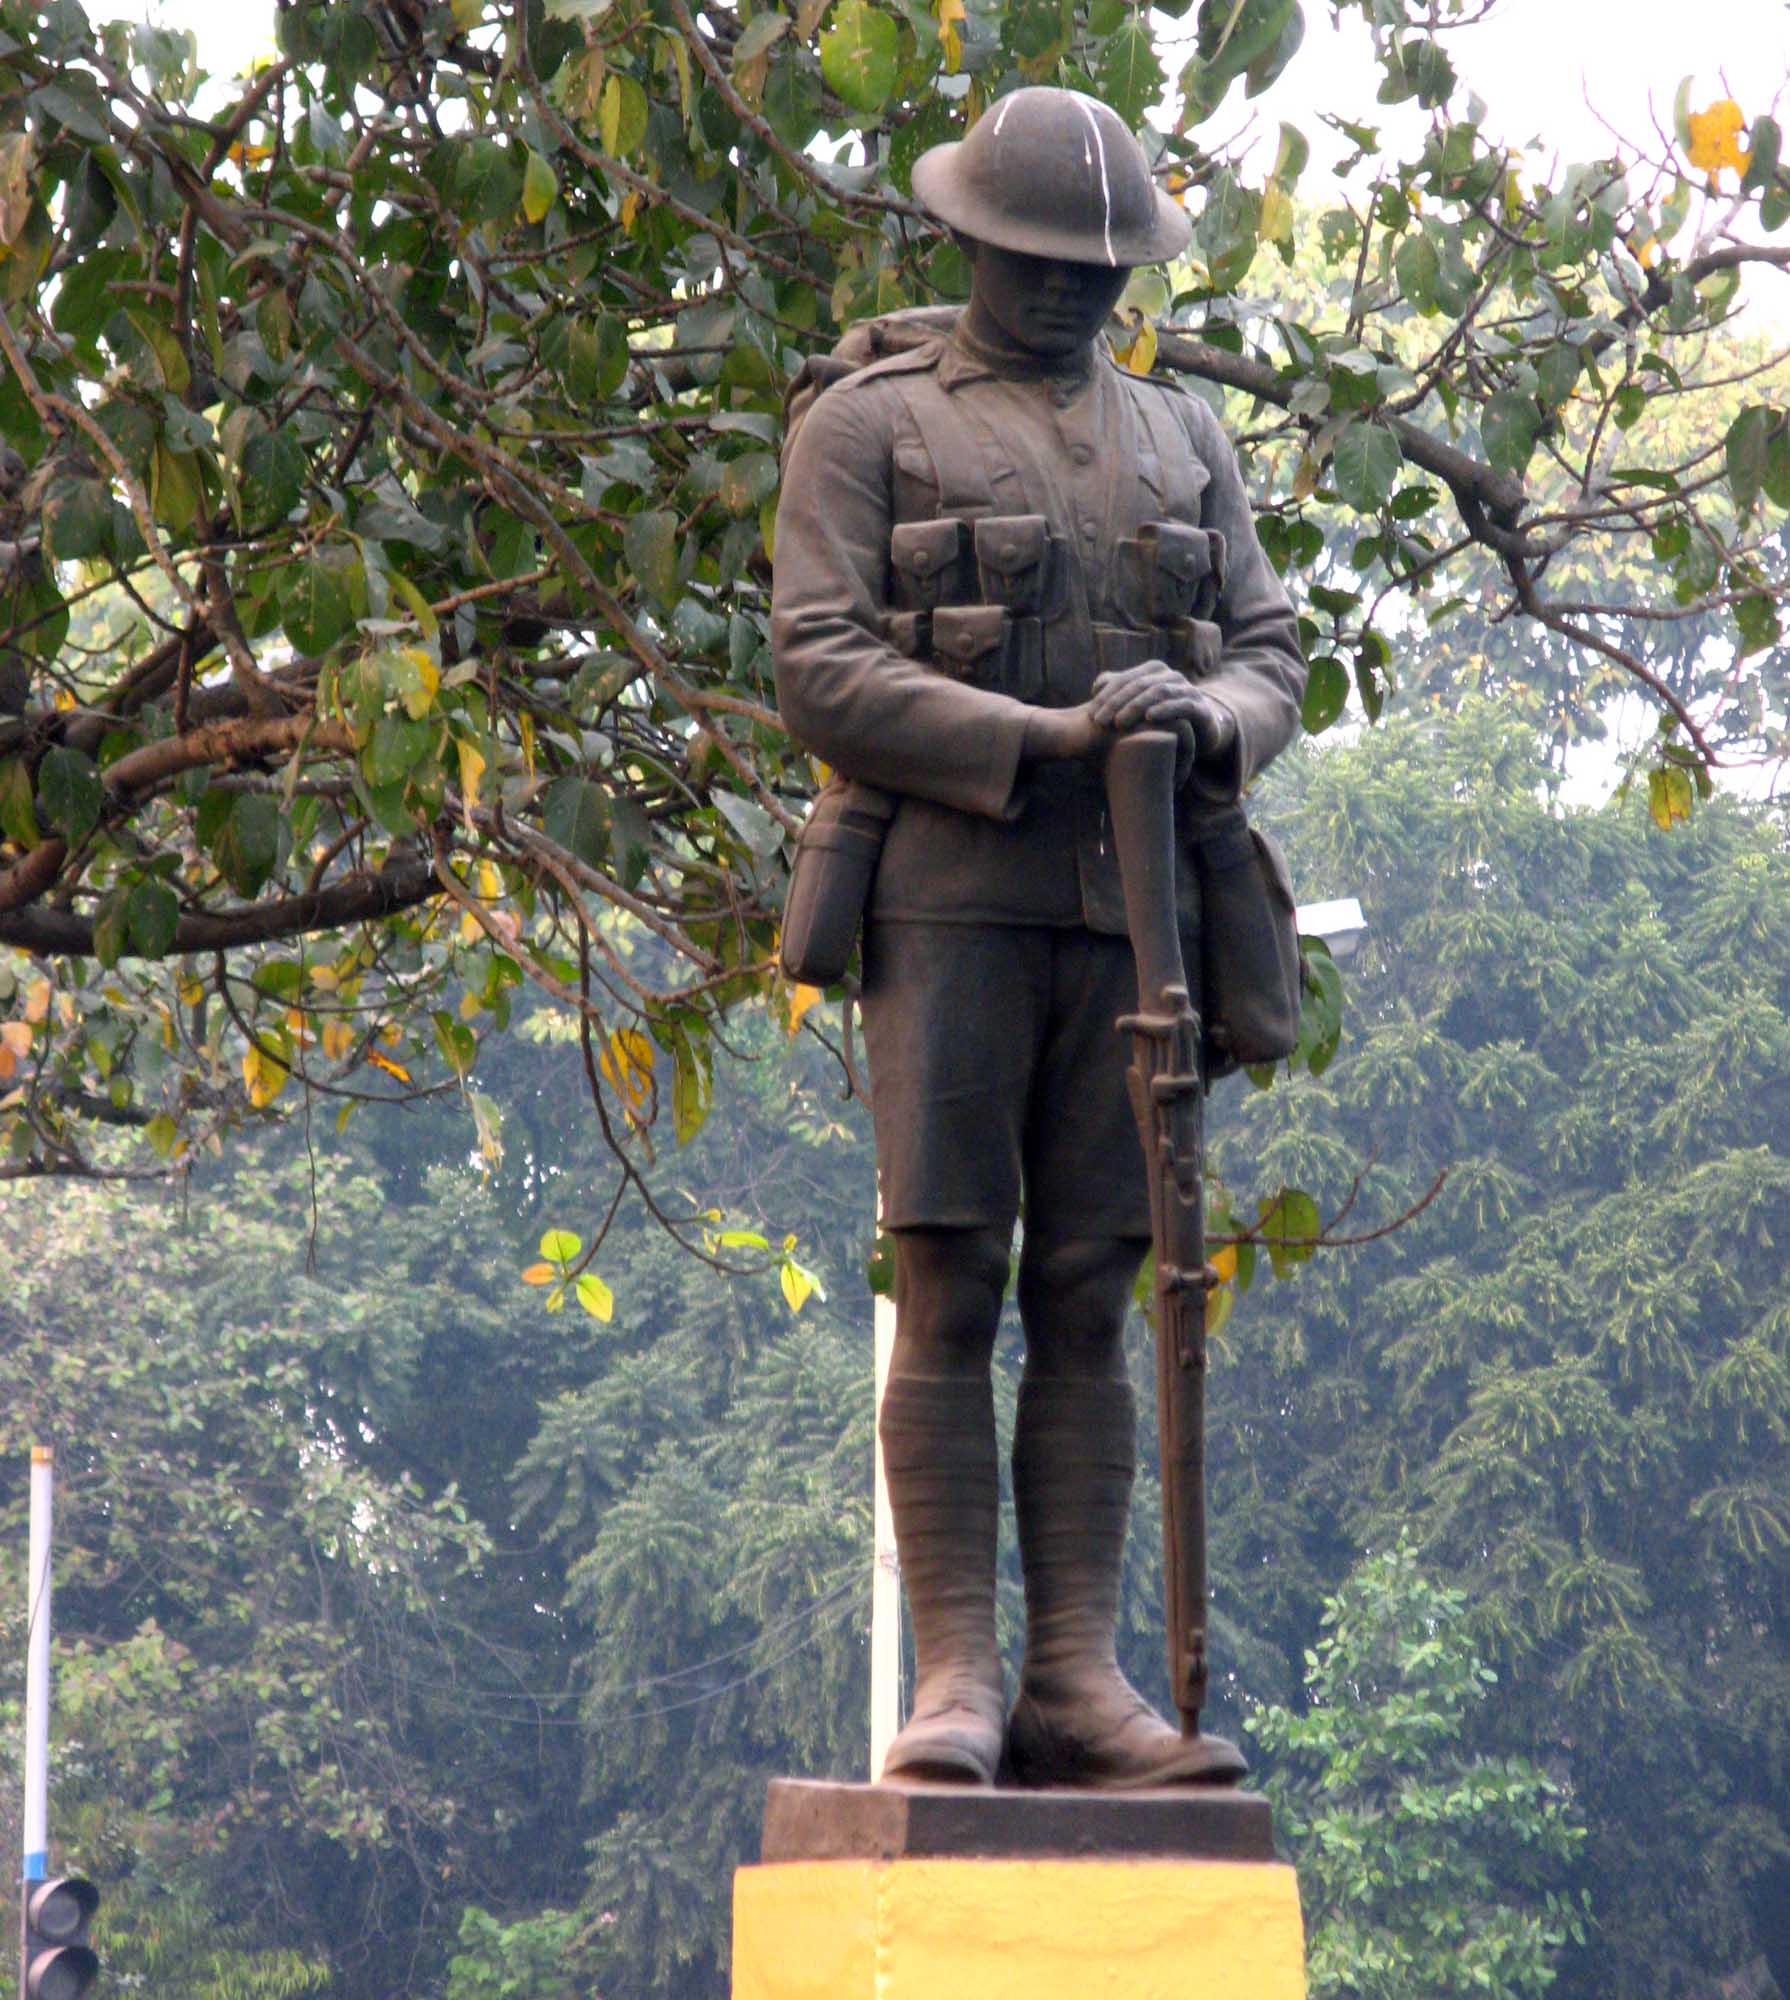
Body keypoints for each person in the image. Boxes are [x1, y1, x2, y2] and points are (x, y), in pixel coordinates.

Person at [771, 87, 1306, 1788]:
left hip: (1131, 913)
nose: (1070, 288)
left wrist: (1202, 719)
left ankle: (1077, 1675)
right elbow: (820, 663)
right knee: (951, 1277)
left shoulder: (1181, 440)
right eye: (1036, 257)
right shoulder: (865, 429)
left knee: (1092, 1288)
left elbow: (1270, 651)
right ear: (968, 242)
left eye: (1099, 263)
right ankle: (956, 1680)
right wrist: (1039, 741)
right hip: (945, 900)